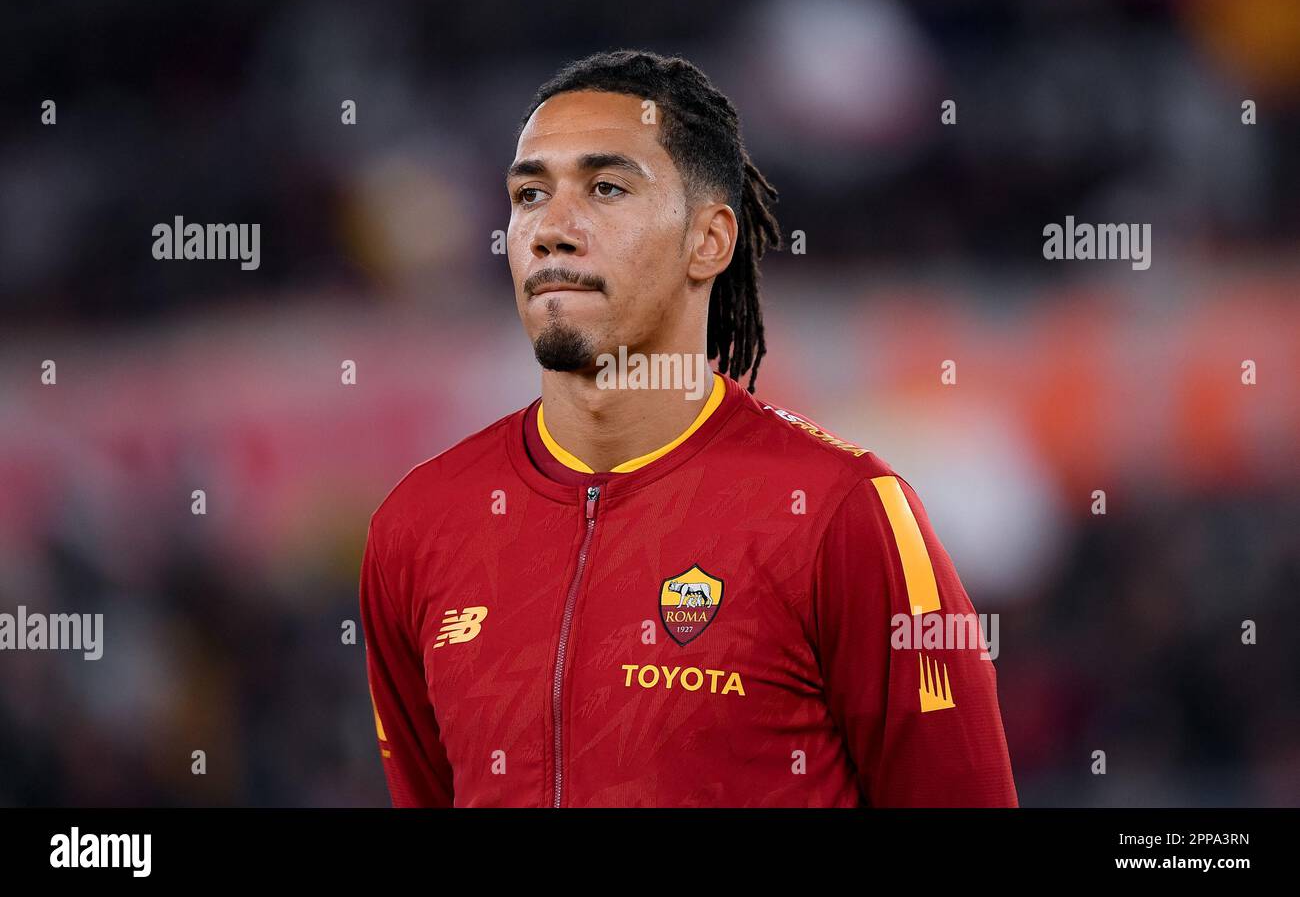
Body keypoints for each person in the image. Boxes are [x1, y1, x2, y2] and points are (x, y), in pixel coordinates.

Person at [360, 49, 1017, 807]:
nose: (551, 229)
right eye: (529, 193)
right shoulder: (418, 525)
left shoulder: (844, 513)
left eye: (606, 188)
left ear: (708, 241)